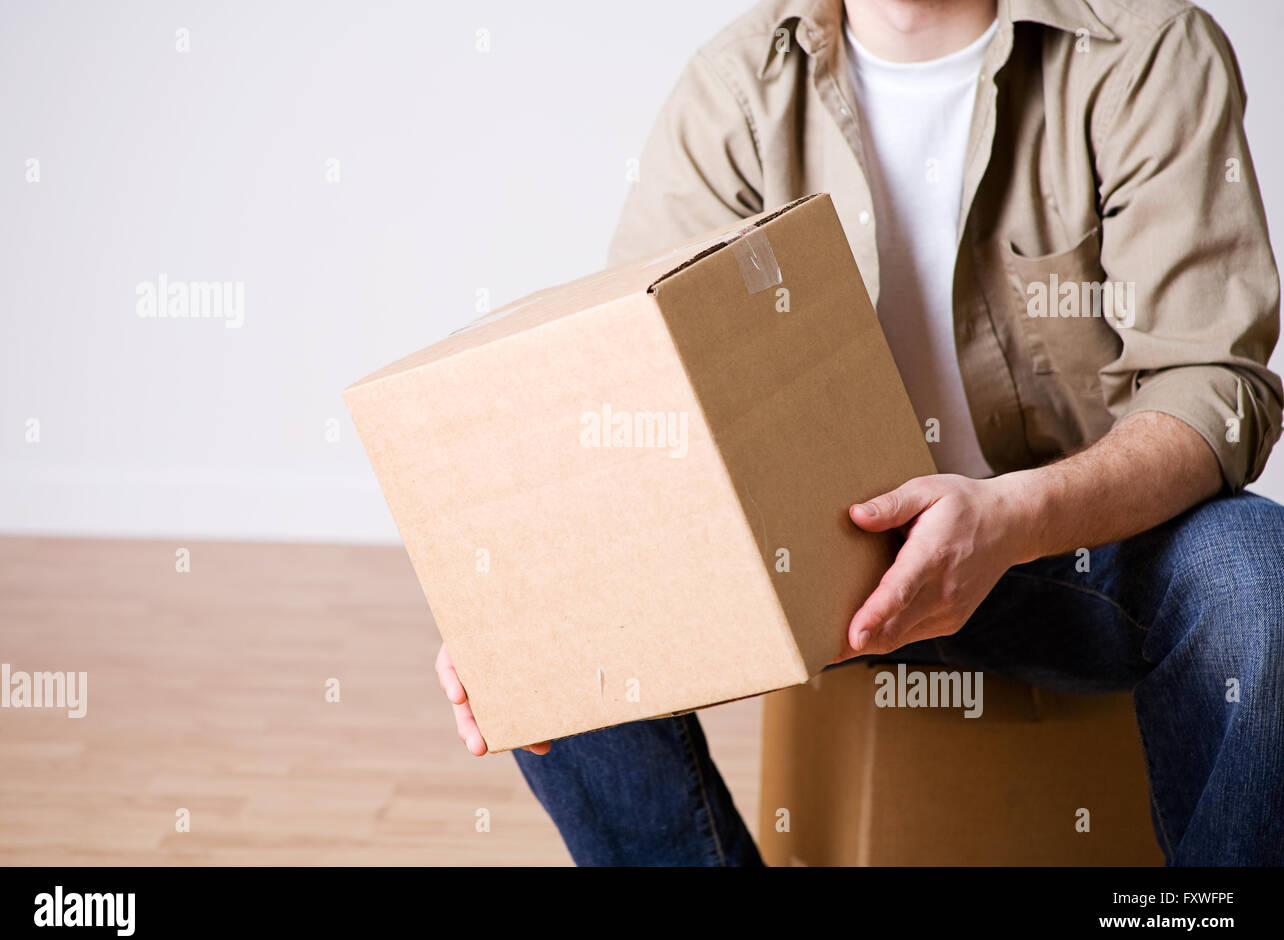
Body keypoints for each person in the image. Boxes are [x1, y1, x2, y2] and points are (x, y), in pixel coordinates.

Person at [435, 0, 1284, 865]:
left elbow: (1213, 383)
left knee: (1260, 573)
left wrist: (1011, 517)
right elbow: (636, 393)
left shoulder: (1143, 50)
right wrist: (520, 605)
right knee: (543, 610)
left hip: (1079, 547)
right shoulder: (738, 87)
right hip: (823, 564)